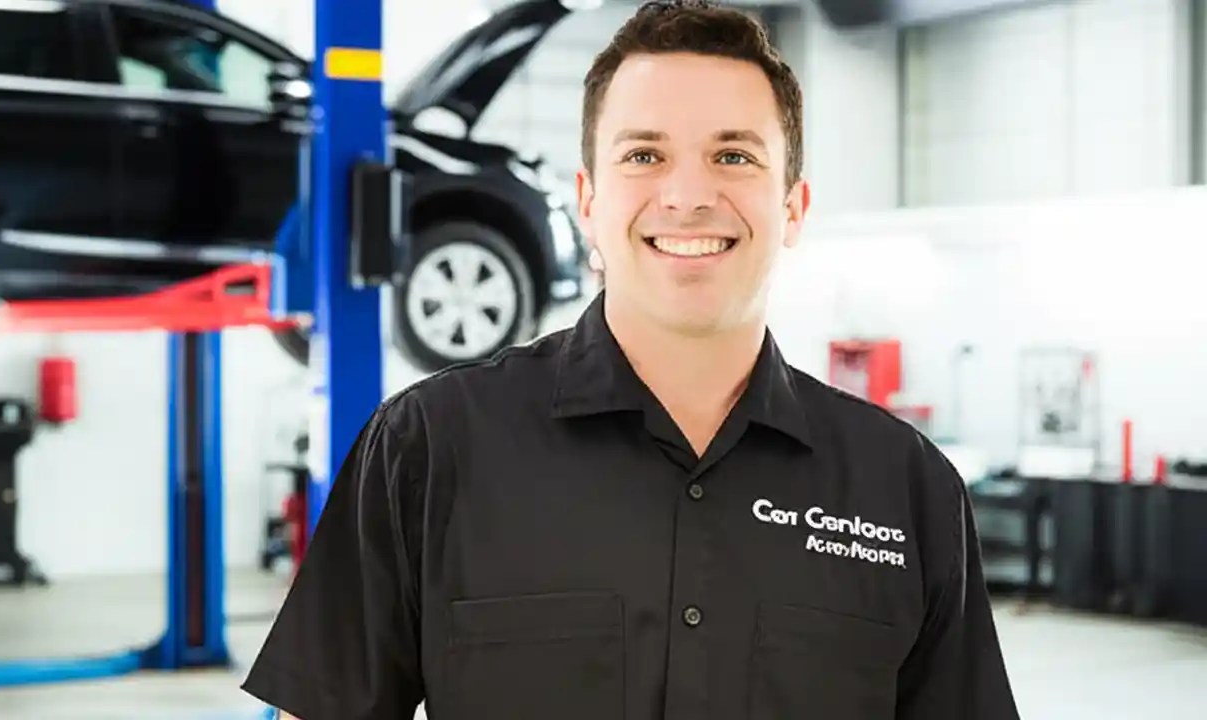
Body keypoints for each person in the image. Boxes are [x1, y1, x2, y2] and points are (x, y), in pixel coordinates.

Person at [241, 1, 1021, 718]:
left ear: (793, 207)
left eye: (735, 157)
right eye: (645, 155)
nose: (686, 195)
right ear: (588, 201)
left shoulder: (907, 489)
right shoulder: (430, 447)